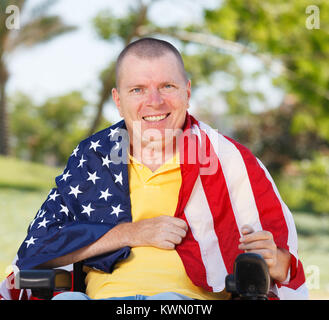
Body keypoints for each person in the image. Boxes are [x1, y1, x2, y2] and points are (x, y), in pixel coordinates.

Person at [13, 38, 308, 300]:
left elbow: (285, 270)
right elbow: (37, 252)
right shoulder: (91, 157)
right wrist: (132, 233)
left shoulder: (229, 160)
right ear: (118, 100)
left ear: (187, 92)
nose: (153, 102)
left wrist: (275, 260)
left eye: (167, 86)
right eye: (137, 89)